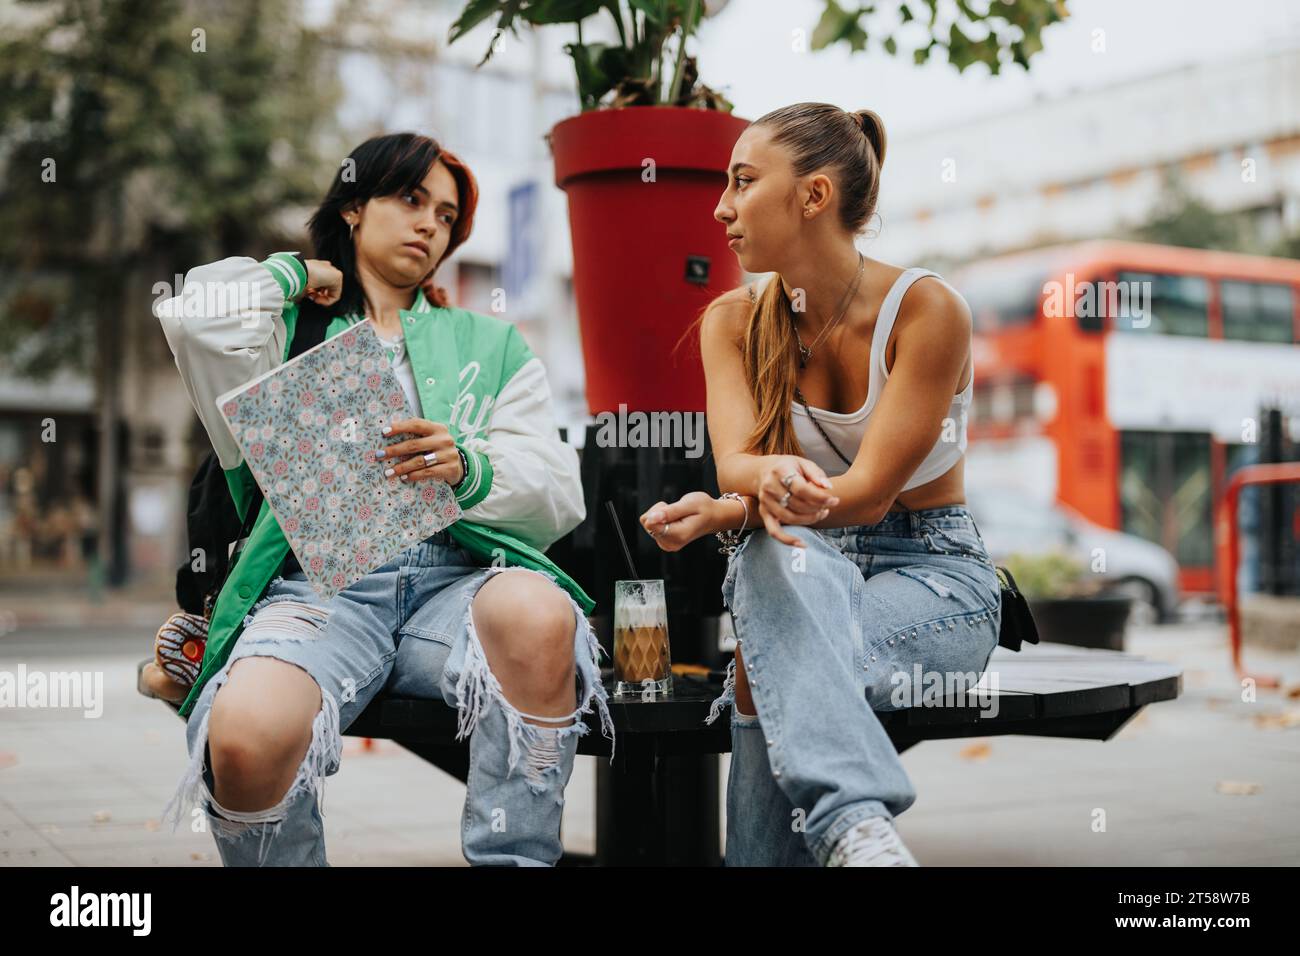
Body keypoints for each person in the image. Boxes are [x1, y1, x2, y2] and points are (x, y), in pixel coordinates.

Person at [154, 131, 611, 866]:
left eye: (446, 213)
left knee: (538, 610)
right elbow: (194, 315)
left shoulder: (490, 343)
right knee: (243, 736)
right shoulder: (283, 327)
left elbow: (559, 494)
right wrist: (295, 274)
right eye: (410, 198)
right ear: (355, 206)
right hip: (316, 591)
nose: (431, 221)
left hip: (458, 586)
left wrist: (468, 469)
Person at [639, 102, 1001, 866]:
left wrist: (761, 497)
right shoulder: (732, 321)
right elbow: (739, 462)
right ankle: (858, 830)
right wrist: (737, 502)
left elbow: (866, 494)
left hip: (932, 573)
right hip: (800, 564)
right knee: (777, 572)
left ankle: (842, 820)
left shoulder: (928, 310)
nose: (721, 206)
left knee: (763, 664)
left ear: (813, 197)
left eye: (742, 182)